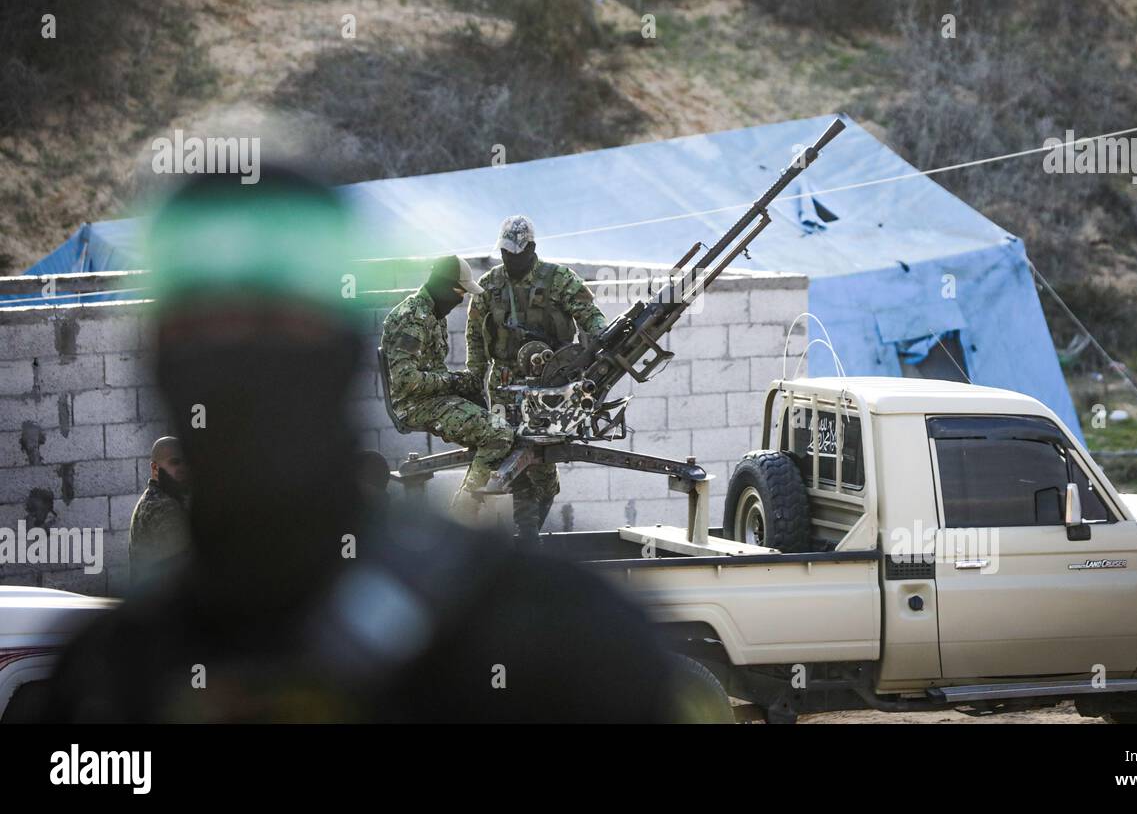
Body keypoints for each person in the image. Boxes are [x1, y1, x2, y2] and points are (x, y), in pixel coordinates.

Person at [41, 163, 678, 723]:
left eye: (277, 322)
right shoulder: (106, 685)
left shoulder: (565, 649)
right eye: (205, 325)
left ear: (341, 351)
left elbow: (572, 323)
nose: (244, 366)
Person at [465, 215, 606, 533]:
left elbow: (590, 316)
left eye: (517, 253)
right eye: (505, 253)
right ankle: (525, 537)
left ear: (532, 248)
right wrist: (474, 380)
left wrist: (600, 347)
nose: (510, 259)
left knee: (541, 468)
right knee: (513, 460)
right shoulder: (489, 285)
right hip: (503, 387)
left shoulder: (558, 279)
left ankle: (529, 532)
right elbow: (475, 335)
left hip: (547, 387)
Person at [381, 256, 513, 517]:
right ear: (443, 286)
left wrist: (462, 385)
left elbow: (432, 372)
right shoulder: (413, 318)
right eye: (459, 291)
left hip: (431, 398)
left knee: (494, 421)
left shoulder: (432, 312)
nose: (461, 298)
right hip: (414, 405)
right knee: (500, 434)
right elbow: (406, 381)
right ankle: (463, 513)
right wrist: (453, 382)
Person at [127, 436, 191, 588]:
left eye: (186, 462)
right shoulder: (163, 507)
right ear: (155, 468)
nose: (182, 468)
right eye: (174, 462)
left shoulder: (154, 499)